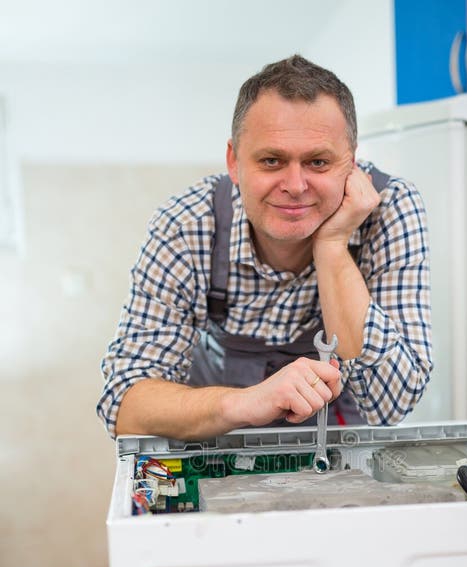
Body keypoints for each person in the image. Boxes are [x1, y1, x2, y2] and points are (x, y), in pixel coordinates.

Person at [97, 55, 432, 440]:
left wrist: (333, 245)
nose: (295, 185)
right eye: (272, 160)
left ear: (351, 163)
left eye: (318, 162)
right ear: (234, 162)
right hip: (218, 449)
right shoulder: (186, 226)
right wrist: (247, 402)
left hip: (341, 462)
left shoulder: (388, 208)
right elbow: (124, 405)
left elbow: (389, 405)